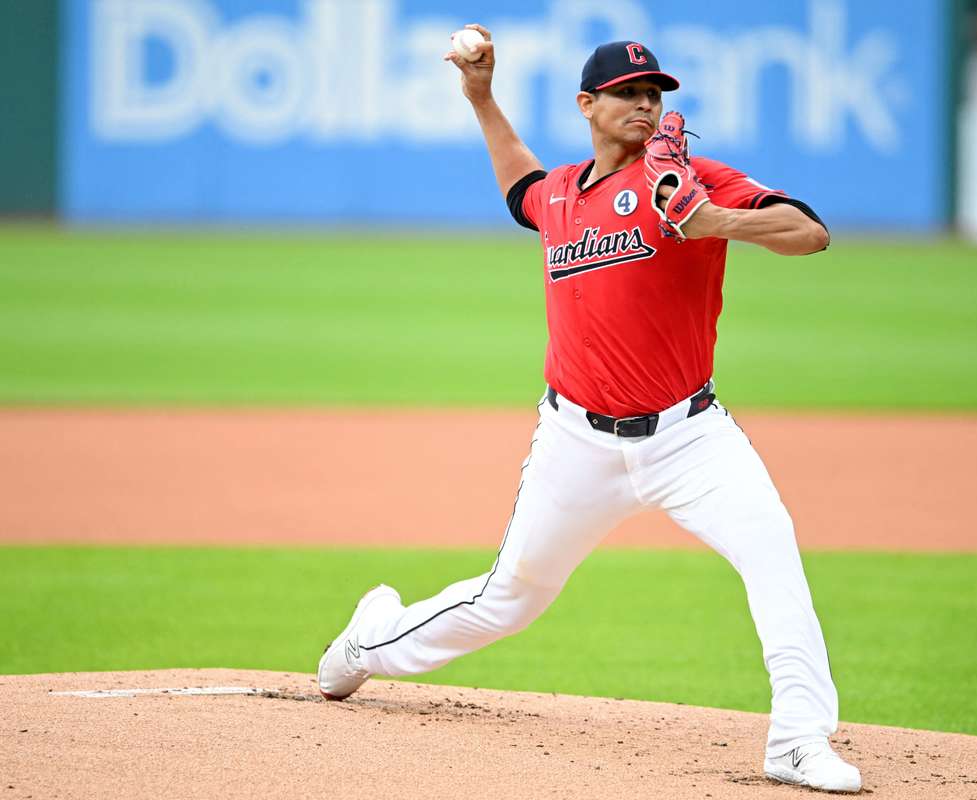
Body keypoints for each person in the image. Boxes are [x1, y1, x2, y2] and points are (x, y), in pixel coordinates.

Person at [317, 26, 862, 794]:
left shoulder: (691, 182)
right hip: (575, 443)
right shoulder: (563, 196)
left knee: (772, 551)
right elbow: (519, 186)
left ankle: (798, 741)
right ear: (587, 104)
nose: (645, 103)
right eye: (628, 93)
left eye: (655, 95)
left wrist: (715, 222)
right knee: (508, 598)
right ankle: (369, 641)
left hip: (690, 438)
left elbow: (811, 232)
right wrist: (480, 97)